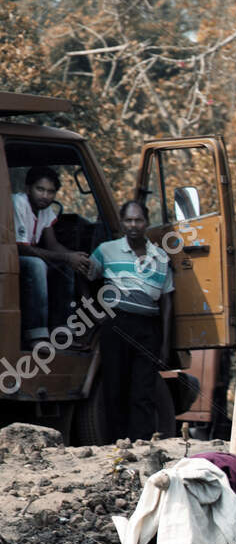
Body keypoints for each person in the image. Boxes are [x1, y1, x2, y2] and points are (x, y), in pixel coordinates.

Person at [87, 200, 174, 439]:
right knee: (115, 388)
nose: (133, 225)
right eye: (128, 220)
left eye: (138, 220)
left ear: (146, 222)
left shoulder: (161, 257)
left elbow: (167, 302)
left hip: (148, 328)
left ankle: (142, 444)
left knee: (143, 391)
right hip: (116, 325)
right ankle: (117, 446)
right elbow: (87, 276)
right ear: (122, 223)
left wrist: (165, 343)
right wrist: (96, 311)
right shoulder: (107, 250)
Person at [13, 166, 92, 344]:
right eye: (40, 189)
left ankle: (62, 329)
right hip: (10, 256)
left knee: (66, 265)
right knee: (37, 265)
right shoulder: (19, 203)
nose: (45, 196)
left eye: (50, 192)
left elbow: (52, 244)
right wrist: (67, 257)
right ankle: (36, 332)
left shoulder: (45, 210)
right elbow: (22, 248)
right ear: (28, 189)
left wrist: (77, 258)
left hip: (25, 255)